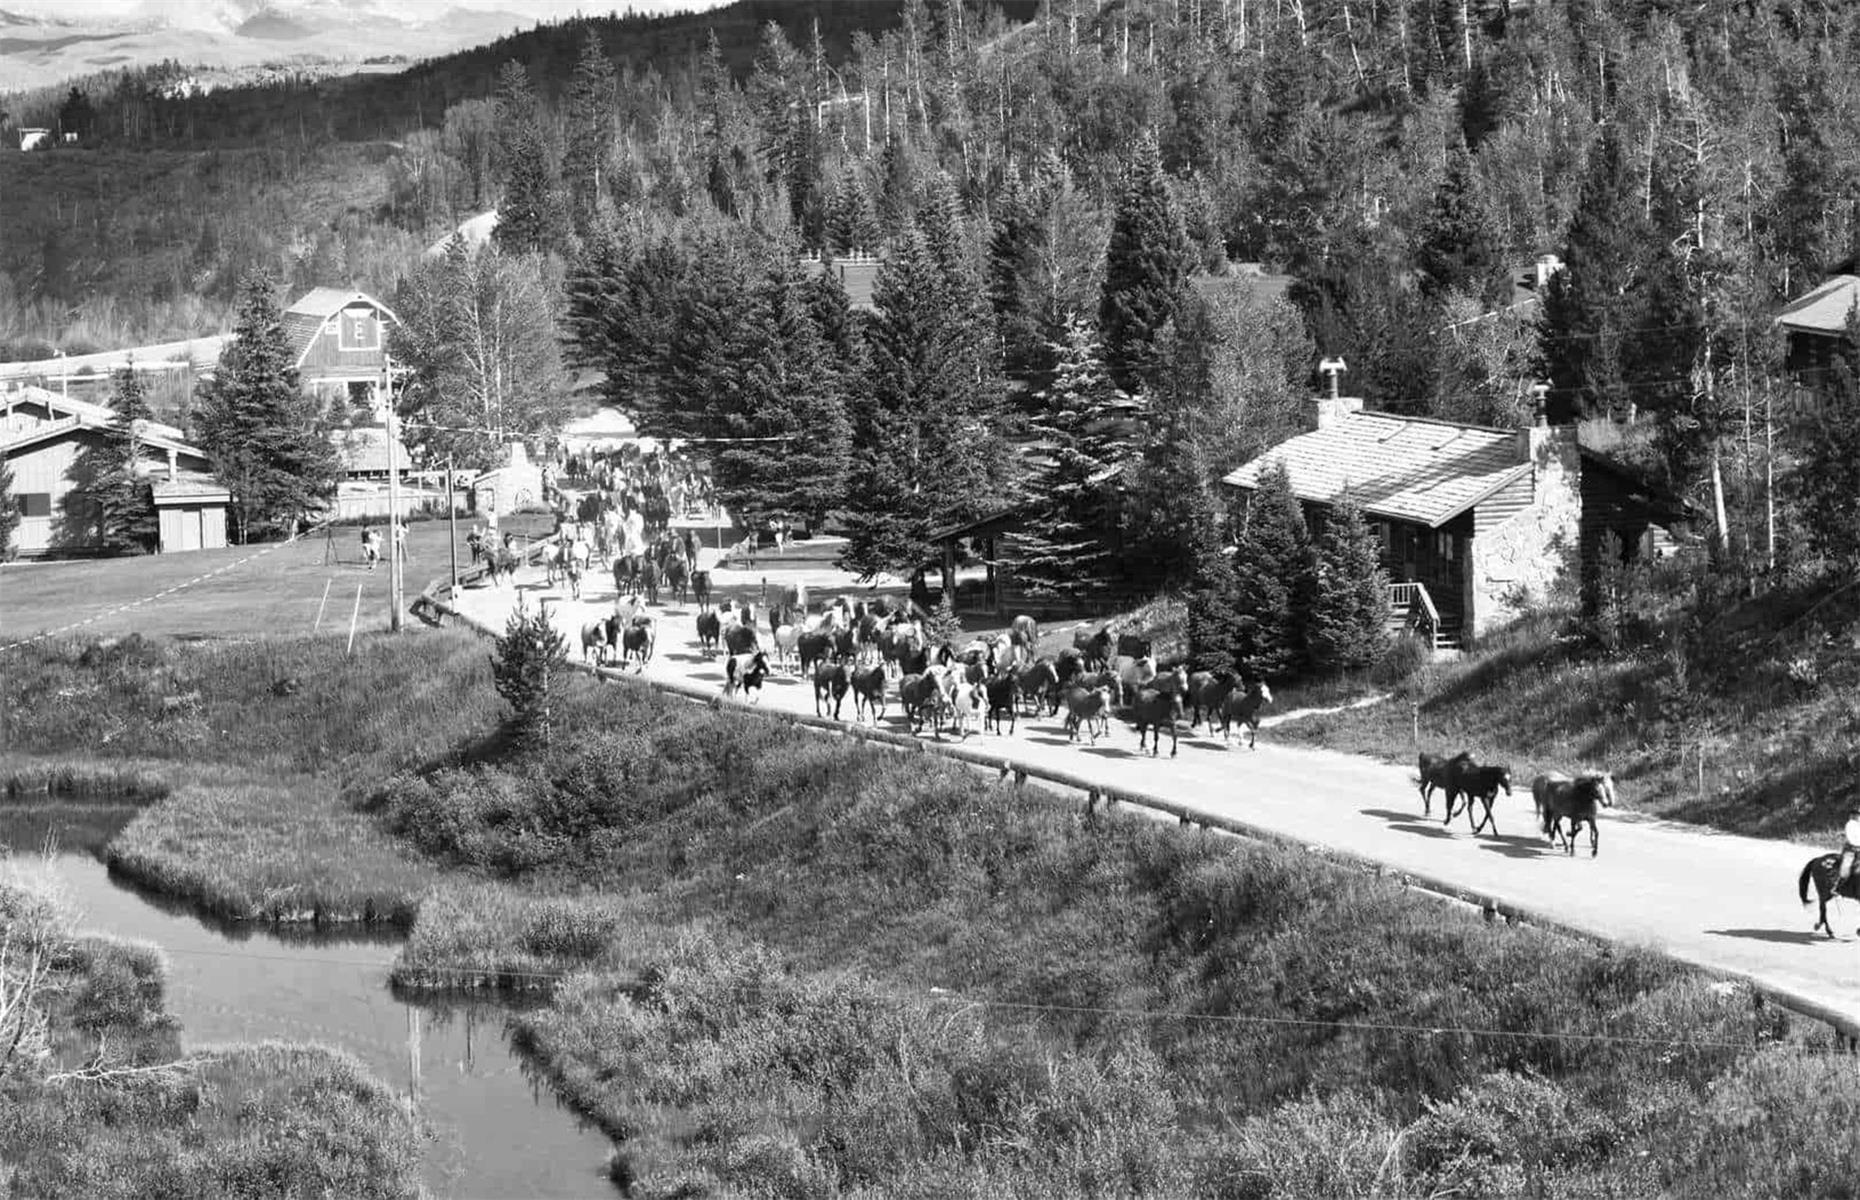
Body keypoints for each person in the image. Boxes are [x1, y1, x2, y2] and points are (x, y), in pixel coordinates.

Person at [1837, 805, 1860, 894]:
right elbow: (1852, 839)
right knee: (1845, 868)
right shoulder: (1850, 825)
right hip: (1851, 850)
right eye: (1858, 815)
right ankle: (1838, 886)